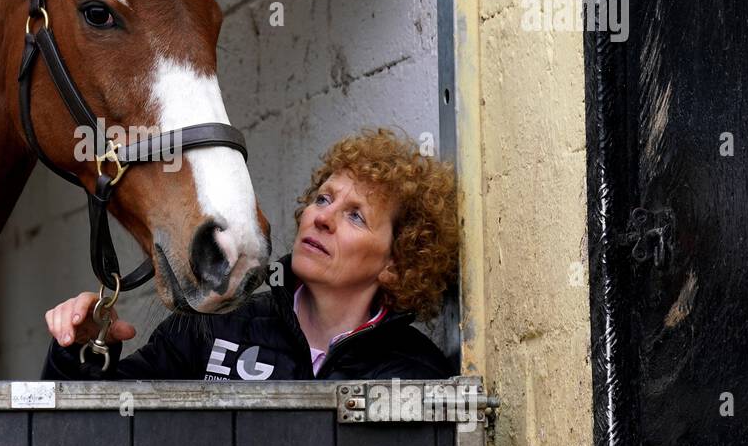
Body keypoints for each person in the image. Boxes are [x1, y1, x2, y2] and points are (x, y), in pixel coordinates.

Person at [41, 127, 460, 381]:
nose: (322, 218)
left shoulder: (413, 375)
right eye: (323, 199)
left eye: (355, 216)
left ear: (395, 264)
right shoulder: (212, 328)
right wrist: (80, 350)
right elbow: (97, 437)